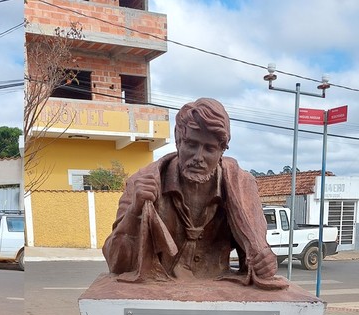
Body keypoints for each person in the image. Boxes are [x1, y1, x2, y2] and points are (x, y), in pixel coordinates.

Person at [102, 98, 287, 290]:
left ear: (222, 150)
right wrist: (134, 212)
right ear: (178, 141)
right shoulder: (141, 183)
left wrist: (264, 260)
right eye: (191, 144)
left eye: (209, 148)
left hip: (219, 291)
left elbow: (258, 253)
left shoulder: (241, 186)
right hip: (161, 292)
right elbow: (116, 264)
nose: (199, 157)